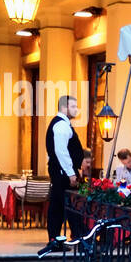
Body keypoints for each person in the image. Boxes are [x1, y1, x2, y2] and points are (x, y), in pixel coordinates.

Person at [45, 94, 84, 246]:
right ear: (64, 108)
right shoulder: (61, 125)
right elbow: (61, 151)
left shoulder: (63, 124)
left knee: (60, 207)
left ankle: (60, 240)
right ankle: (77, 240)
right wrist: (71, 173)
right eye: (73, 106)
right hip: (63, 174)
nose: (76, 109)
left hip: (62, 172)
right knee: (67, 206)